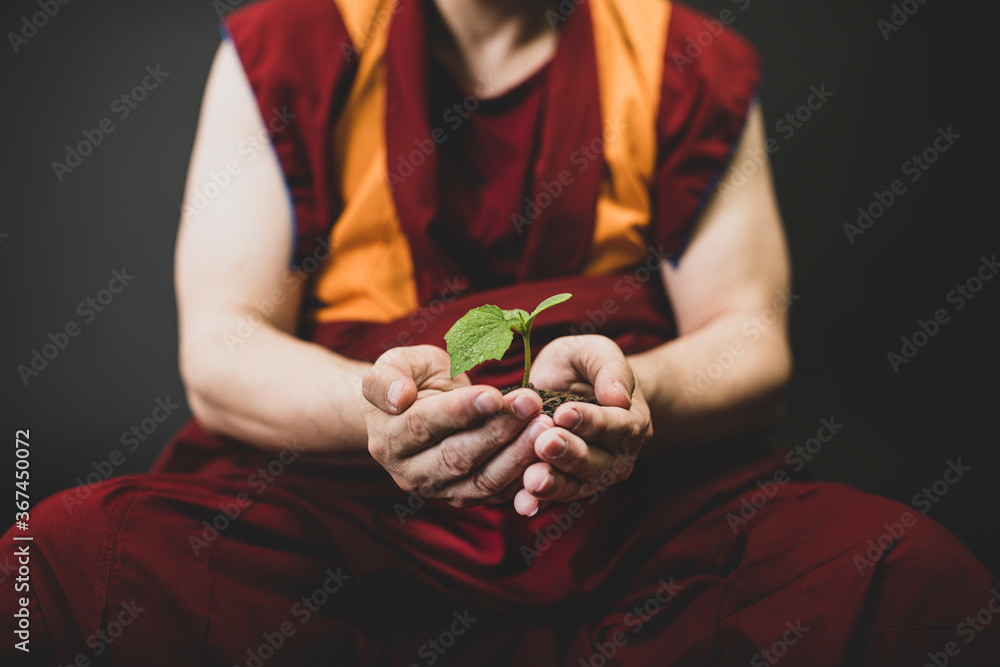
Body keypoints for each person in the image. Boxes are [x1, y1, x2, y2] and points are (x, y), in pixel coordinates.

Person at [4, 0, 999, 664]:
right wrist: (378, 410)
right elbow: (222, 348)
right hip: (351, 522)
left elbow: (750, 337)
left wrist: (634, 394)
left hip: (634, 518)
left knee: (901, 575)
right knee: (61, 561)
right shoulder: (292, 42)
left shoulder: (679, 55)